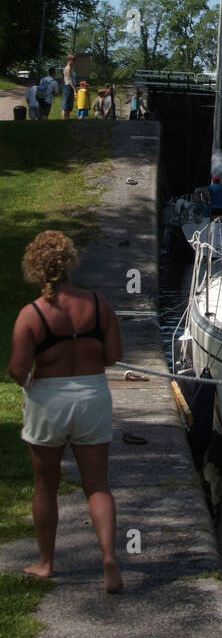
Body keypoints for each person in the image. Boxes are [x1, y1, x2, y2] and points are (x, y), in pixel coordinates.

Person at [7, 231, 124, 593]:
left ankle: (46, 563)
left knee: (45, 484)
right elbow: (113, 355)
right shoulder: (97, 304)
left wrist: (32, 376)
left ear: (35, 269)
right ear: (70, 262)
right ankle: (108, 557)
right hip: (92, 395)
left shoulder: (31, 315)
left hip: (49, 400)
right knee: (97, 484)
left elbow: (16, 369)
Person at [61, 54, 77, 120]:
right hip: (68, 87)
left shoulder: (70, 68)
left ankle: (67, 118)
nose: (74, 61)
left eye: (74, 60)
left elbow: (64, 79)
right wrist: (74, 89)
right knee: (65, 104)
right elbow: (69, 79)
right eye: (73, 60)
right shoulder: (68, 68)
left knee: (69, 105)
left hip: (69, 87)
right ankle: (64, 119)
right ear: (69, 60)